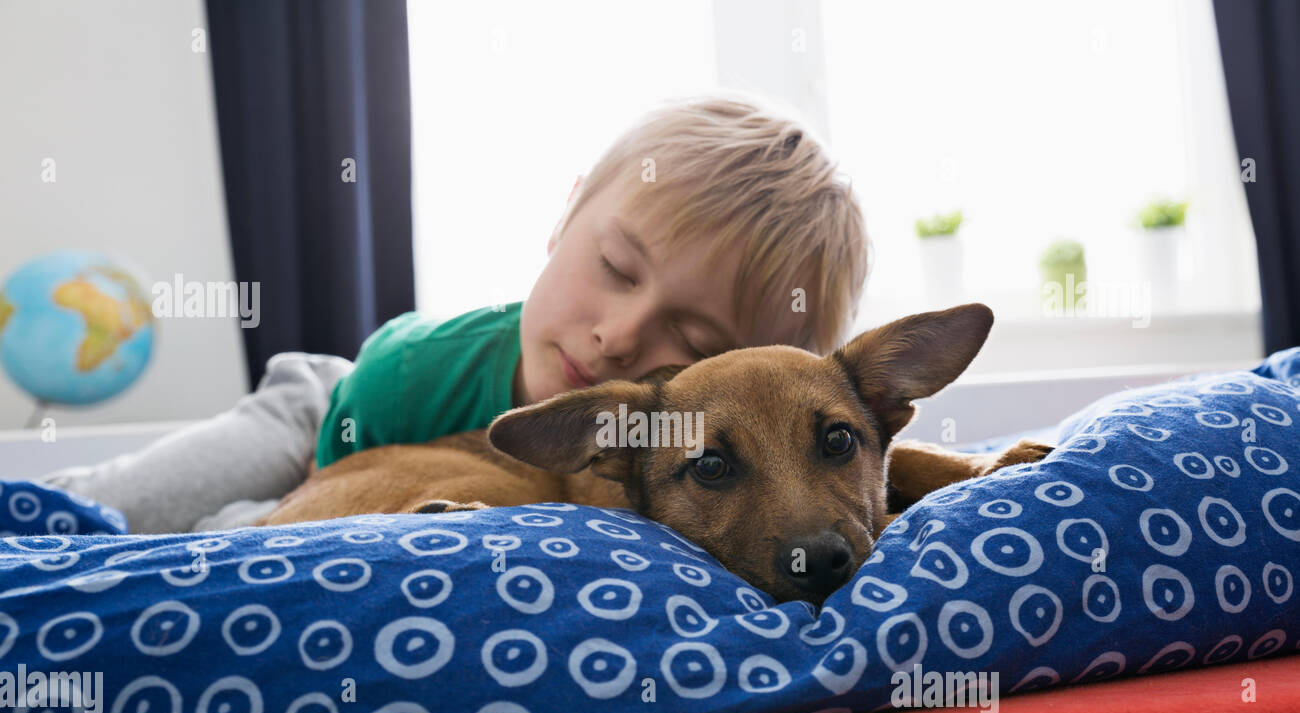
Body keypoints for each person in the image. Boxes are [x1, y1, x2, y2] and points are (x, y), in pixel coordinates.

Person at [42, 91, 871, 533]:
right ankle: (43, 509)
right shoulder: (411, 372)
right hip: (327, 412)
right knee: (138, 505)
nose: (618, 336)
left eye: (690, 345)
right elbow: (330, 492)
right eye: (615, 267)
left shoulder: (664, 442)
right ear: (566, 213)